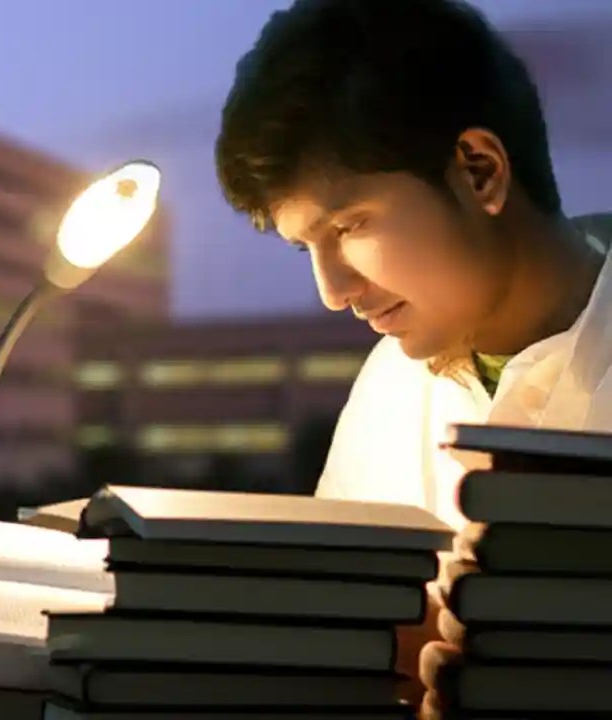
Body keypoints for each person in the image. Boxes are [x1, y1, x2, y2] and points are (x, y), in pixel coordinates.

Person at [214, 0, 612, 717]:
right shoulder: (388, 390)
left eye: (351, 225)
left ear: (480, 170)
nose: (332, 291)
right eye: (307, 247)